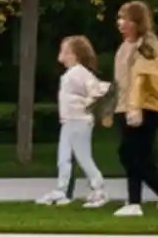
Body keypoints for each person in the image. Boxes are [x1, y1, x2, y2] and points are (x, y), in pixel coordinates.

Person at [104, 0, 158, 217]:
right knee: (136, 156)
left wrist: (135, 108)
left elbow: (141, 78)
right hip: (126, 107)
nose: (120, 23)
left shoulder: (148, 44)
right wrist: (111, 108)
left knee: (131, 154)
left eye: (125, 19)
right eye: (119, 18)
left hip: (146, 107)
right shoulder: (124, 46)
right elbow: (120, 81)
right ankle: (134, 202)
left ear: (137, 22)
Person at [37, 35, 110, 207]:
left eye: (65, 51)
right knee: (64, 158)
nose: (60, 56)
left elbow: (98, 89)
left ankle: (98, 189)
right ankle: (61, 191)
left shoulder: (78, 73)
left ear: (74, 54)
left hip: (78, 122)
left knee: (83, 157)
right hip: (70, 122)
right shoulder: (72, 73)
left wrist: (87, 104)